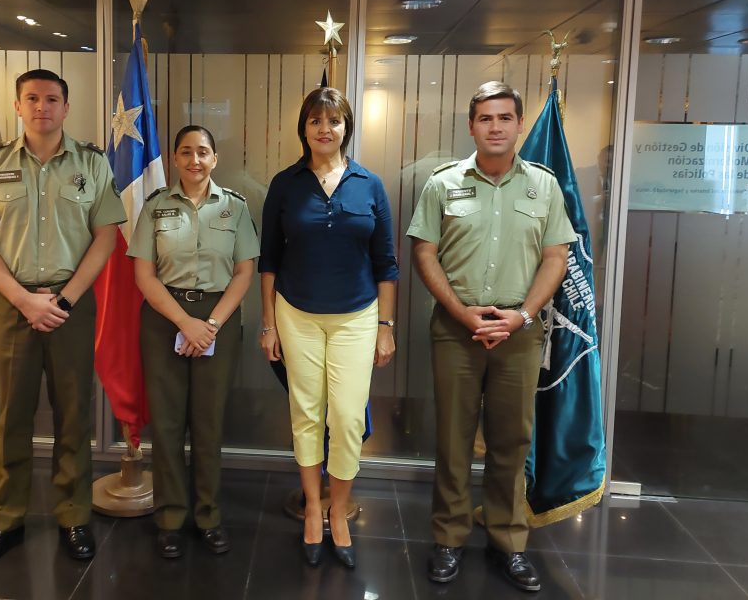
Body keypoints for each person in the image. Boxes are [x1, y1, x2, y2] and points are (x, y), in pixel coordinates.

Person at [0, 68, 125, 567]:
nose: (42, 107)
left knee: (74, 416)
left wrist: (65, 300)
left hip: (72, 304)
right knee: (12, 419)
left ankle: (74, 517)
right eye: (32, 98)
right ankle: (5, 520)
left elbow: (106, 238)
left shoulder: (91, 164)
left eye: (52, 99)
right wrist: (25, 300)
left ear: (67, 108)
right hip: (12, 306)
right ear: (17, 105)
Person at [407, 81, 576, 593]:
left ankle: (508, 542)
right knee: (453, 441)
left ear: (519, 124)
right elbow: (424, 252)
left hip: (519, 334)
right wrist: (462, 314)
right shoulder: (442, 183)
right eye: (486, 118)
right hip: (457, 331)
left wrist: (521, 316)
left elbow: (556, 258)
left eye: (505, 118)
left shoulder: (543, 186)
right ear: (471, 125)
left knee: (510, 441)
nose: (496, 127)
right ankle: (449, 539)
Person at [258, 87, 398, 569]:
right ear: (304, 128)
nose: (325, 129)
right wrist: (268, 323)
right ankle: (314, 509)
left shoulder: (369, 184)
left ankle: (340, 511)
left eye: (334, 121)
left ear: (346, 128)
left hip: (357, 316)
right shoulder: (285, 183)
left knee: (347, 417)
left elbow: (387, 262)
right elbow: (269, 260)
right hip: (296, 313)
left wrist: (385, 325)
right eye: (315, 121)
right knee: (306, 413)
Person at [127, 125, 259, 559]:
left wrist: (210, 325)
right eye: (186, 152)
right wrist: (186, 322)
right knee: (166, 426)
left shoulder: (235, 207)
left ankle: (208, 516)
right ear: (175, 158)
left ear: (215, 158)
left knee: (208, 424)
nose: (195, 160)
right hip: (165, 319)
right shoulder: (155, 207)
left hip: (217, 318)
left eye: (203, 151)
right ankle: (168, 518)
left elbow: (244, 272)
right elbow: (144, 274)